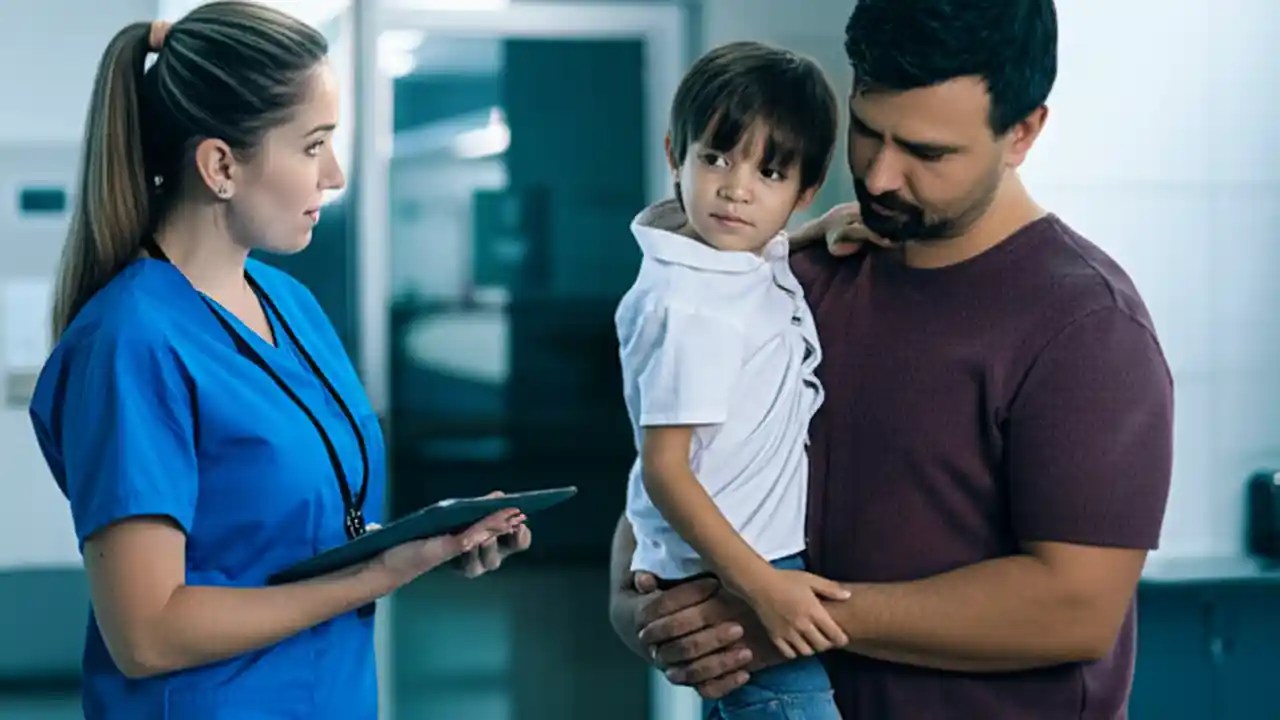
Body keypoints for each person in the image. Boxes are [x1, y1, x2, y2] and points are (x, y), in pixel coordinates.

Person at [609, 1, 1174, 718]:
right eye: (868, 131)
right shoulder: (795, 278)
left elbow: (1075, 607)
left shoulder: (1087, 328)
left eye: (926, 152)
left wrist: (789, 613)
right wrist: (640, 608)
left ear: (1022, 132)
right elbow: (678, 465)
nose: (877, 177)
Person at [28, 3, 530, 718]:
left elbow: (295, 532)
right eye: (312, 145)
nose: (335, 174)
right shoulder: (132, 341)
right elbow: (145, 633)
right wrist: (378, 576)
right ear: (221, 165)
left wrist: (434, 541)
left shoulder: (291, 305)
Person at [616, 41, 849, 719]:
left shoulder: (720, 257)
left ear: (803, 192)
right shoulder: (691, 308)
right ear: (675, 156)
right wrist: (764, 590)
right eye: (715, 158)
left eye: (769, 172)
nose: (736, 189)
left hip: (739, 561)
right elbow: (665, 469)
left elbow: (759, 249)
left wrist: (809, 235)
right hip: (746, 571)